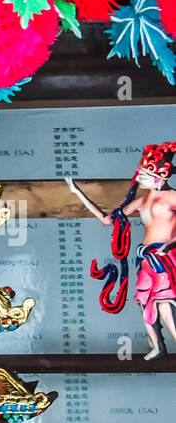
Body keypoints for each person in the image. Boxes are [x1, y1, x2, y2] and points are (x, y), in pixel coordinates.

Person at [67, 142, 176, 359]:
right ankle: (157, 345)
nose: (141, 178)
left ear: (161, 175)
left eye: (146, 173)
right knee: (144, 301)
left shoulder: (173, 197)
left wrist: (170, 245)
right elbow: (108, 219)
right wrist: (77, 192)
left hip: (165, 256)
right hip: (146, 258)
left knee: (164, 302)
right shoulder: (142, 200)